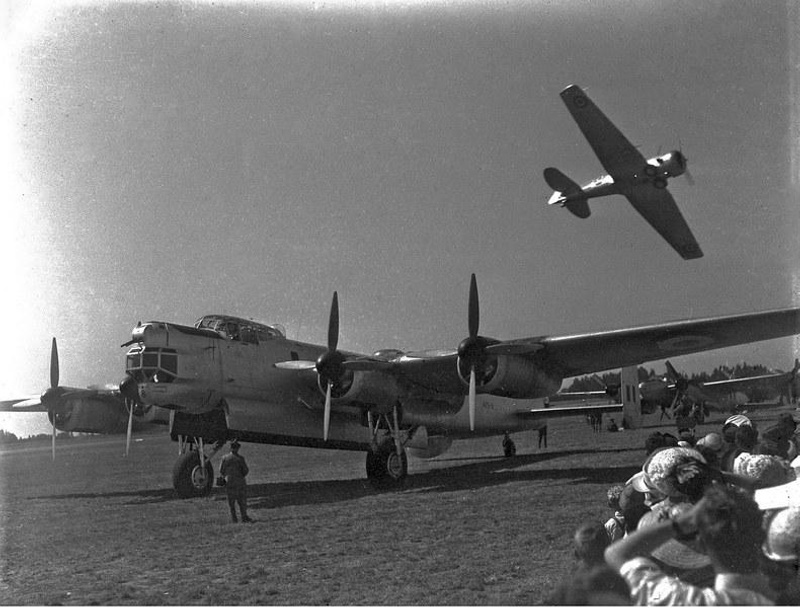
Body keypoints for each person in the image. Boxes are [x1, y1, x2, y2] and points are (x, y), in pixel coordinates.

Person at [605, 484, 775, 605]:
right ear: (760, 535)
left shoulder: (691, 601)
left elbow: (616, 553)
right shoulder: (786, 588)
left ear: (700, 544)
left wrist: (684, 521)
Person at [219, 439, 252, 523]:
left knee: (231, 502)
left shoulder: (224, 458)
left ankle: (234, 518)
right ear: (237, 448)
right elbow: (245, 470)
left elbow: (221, 470)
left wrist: (226, 476)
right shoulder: (240, 458)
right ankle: (244, 517)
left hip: (229, 482)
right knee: (242, 501)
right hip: (240, 481)